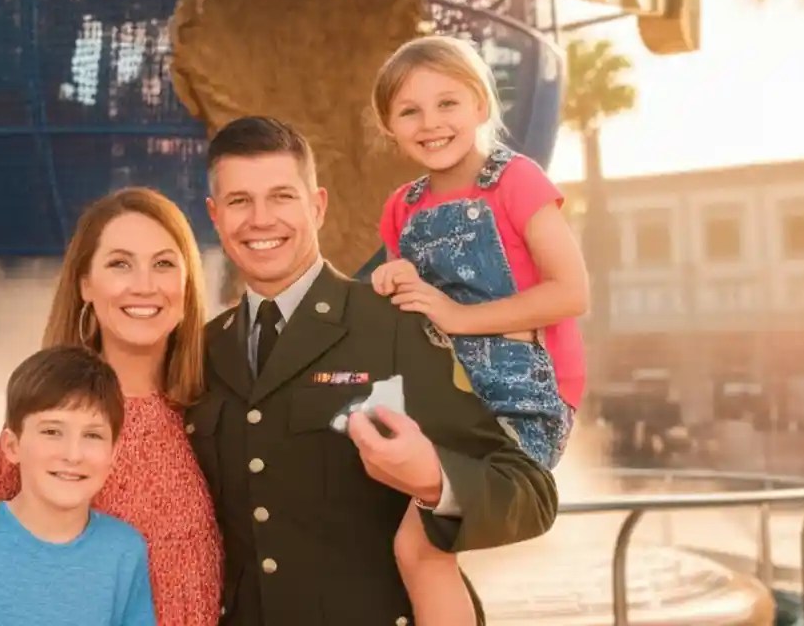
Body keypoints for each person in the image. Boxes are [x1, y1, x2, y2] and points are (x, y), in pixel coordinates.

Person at [193, 115, 558, 625]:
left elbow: (529, 491)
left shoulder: (393, 325)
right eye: (239, 201)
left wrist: (434, 479)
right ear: (215, 214)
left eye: (281, 196)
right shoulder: (202, 351)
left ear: (317, 206)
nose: (260, 219)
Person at [0, 188, 222, 625]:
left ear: (187, 282)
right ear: (85, 283)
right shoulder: (51, 413)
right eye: (120, 264)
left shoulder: (218, 405)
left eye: (163, 263)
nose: (144, 284)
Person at [368, 35, 588, 625]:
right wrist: (392, 279)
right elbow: (412, 313)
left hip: (522, 398)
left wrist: (459, 315)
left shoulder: (516, 179)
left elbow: (572, 292)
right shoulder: (400, 207)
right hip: (444, 395)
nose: (430, 123)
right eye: (409, 111)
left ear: (482, 106)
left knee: (418, 547)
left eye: (448, 103)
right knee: (403, 540)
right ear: (389, 125)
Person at [0, 345, 156, 625]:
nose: (73, 454)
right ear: (12, 446)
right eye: (51, 431)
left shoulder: (125, 551)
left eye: (92, 435)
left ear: (113, 454)